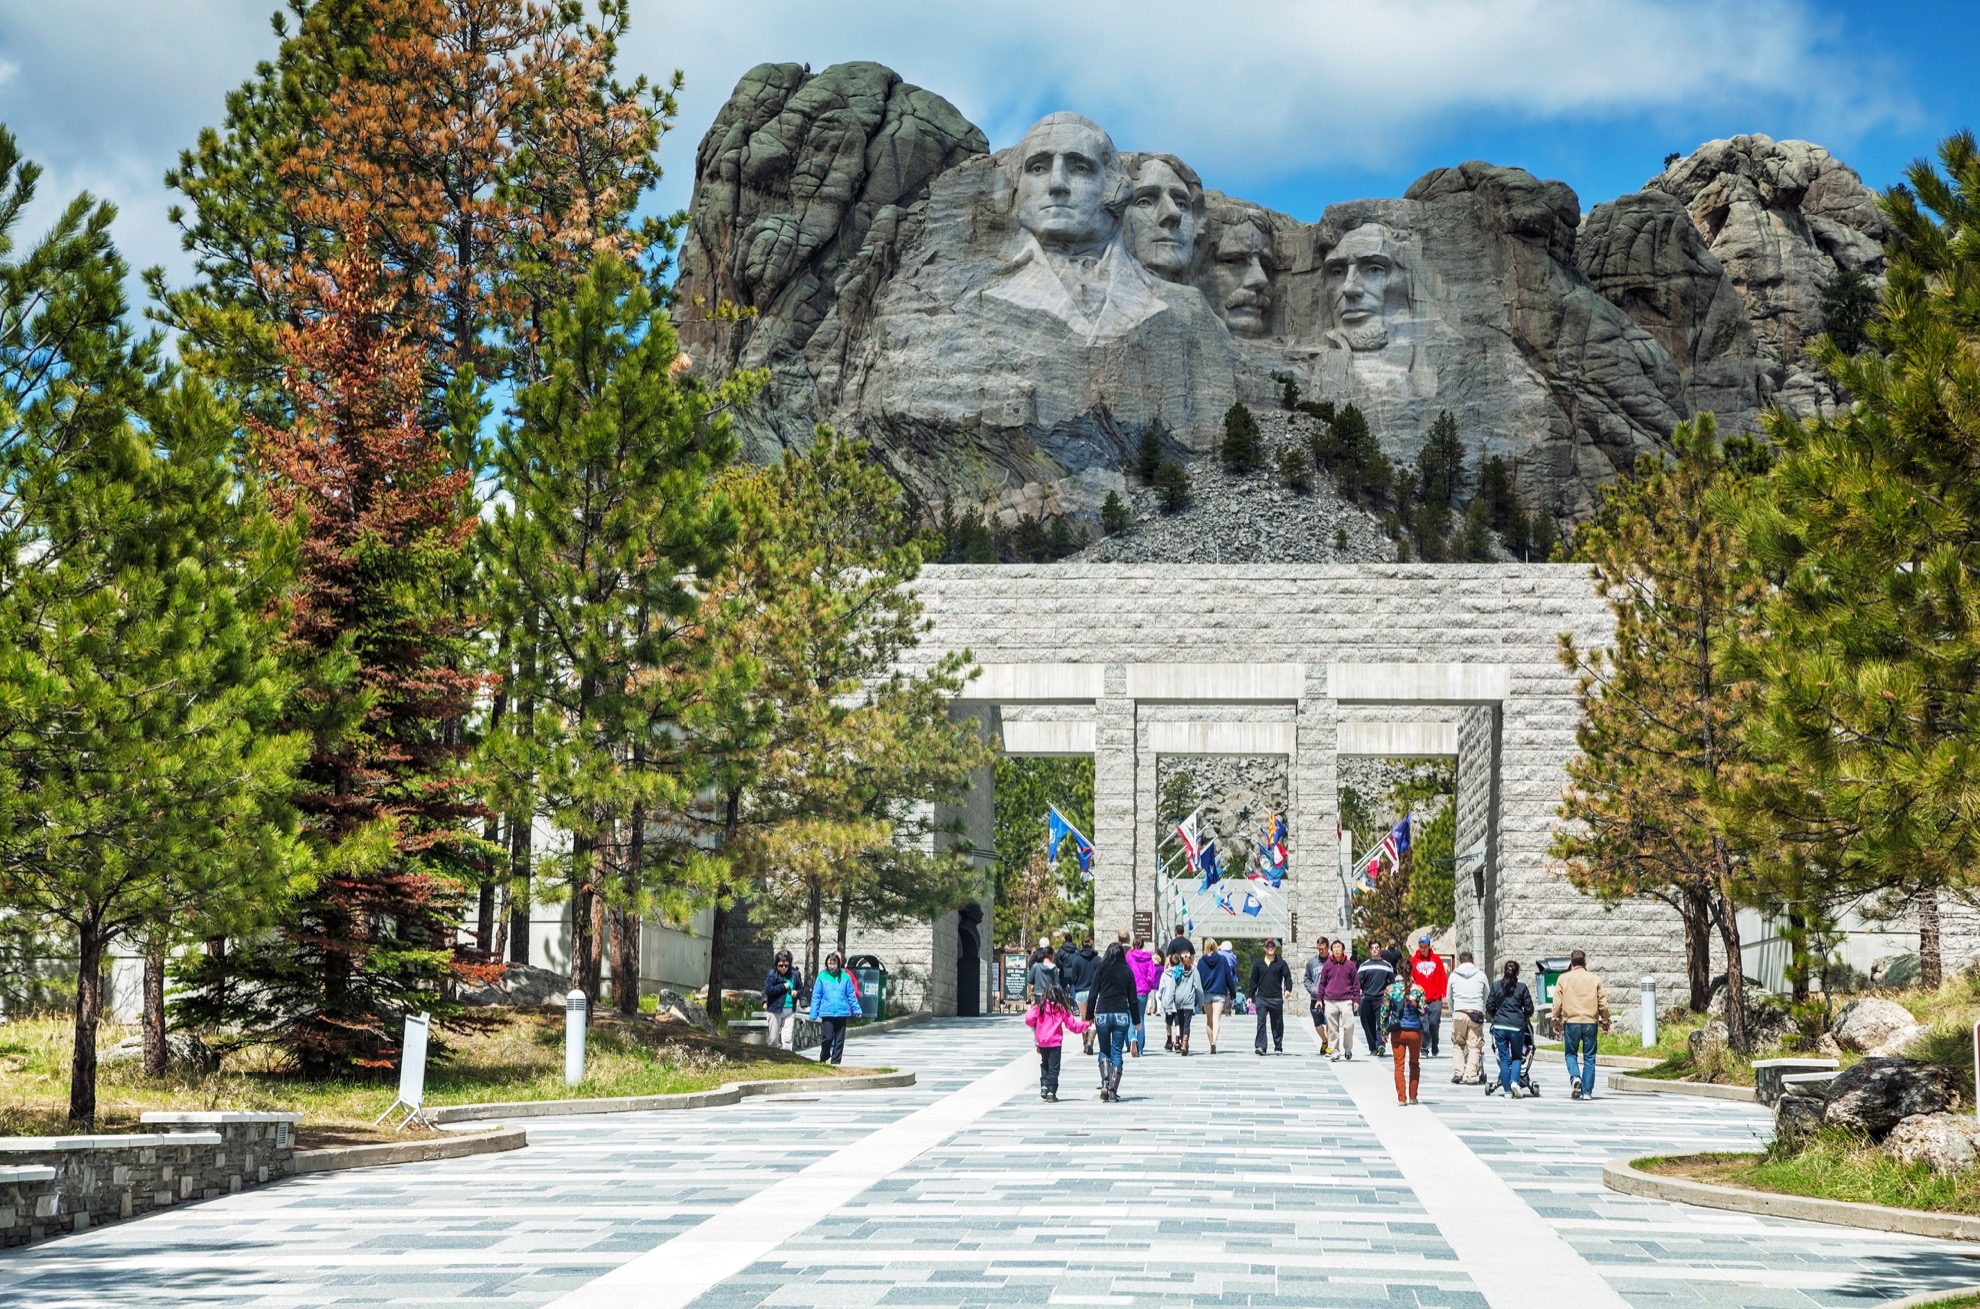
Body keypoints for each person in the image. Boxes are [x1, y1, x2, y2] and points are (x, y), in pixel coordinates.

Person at [1551, 949, 1612, 1099]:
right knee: (1589, 1057)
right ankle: (1587, 1092)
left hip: (1571, 1022)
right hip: (1590, 1022)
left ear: (1571, 963)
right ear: (1585, 962)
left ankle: (1575, 1077)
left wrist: (1555, 1020)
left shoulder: (1563, 978)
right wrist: (1605, 1021)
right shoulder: (1595, 978)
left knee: (1570, 1054)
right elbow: (1602, 1003)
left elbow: (1557, 1003)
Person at [1083, 942, 1139, 1100]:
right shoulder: (1127, 971)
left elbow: (1093, 994)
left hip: (1103, 1013)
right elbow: (1133, 999)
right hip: (1121, 1013)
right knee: (1117, 1052)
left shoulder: (1101, 969)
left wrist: (1089, 1016)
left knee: (1104, 1050)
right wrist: (1136, 1020)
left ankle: (1105, 1082)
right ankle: (1113, 1090)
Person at [1025, 979, 1088, 1101]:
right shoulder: (1062, 1009)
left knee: (1045, 1064)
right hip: (1055, 1042)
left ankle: (1044, 1086)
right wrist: (1086, 1024)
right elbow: (1073, 1026)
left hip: (1042, 1041)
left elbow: (1028, 1019)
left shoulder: (1040, 1007)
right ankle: (1051, 1092)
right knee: (1054, 1067)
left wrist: (1035, 1024)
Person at [1485, 960, 1535, 1097]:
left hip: (1500, 1025)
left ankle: (1507, 1091)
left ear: (1503, 971)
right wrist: (1521, 1016)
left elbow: (1489, 1005)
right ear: (1518, 972)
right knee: (1517, 1057)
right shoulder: (1522, 987)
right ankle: (1514, 1081)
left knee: (1504, 1057)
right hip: (1517, 1026)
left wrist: (1497, 1016)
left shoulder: (1495, 986)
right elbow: (1530, 1009)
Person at [1380, 969, 1430, 1105]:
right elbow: (1423, 1010)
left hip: (1398, 1031)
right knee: (1414, 1064)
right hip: (1414, 1031)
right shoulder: (1418, 989)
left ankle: (1402, 1098)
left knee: (1398, 1066)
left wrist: (1384, 1031)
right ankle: (1413, 1097)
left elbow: (1384, 1011)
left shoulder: (1390, 989)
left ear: (1397, 971)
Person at [809, 951, 860, 1065]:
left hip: (842, 1012)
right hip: (827, 1012)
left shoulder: (845, 977)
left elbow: (851, 995)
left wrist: (857, 1009)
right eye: (829, 963)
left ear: (838, 964)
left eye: (834, 963)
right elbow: (816, 996)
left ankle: (836, 1061)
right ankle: (824, 1054)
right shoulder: (822, 977)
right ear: (826, 964)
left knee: (839, 1040)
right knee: (827, 1037)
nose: (832, 966)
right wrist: (813, 1012)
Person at [1446, 951, 1489, 1085]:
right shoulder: (1481, 975)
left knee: (1458, 1043)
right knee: (1474, 1046)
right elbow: (1486, 994)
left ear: (1459, 961)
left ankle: (1458, 1073)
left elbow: (1449, 996)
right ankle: (1471, 1076)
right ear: (1473, 961)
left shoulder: (1453, 975)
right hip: (1475, 1012)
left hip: (1459, 1011)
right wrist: (1482, 1008)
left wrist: (1454, 1011)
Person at [1249, 938, 1294, 1055]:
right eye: (1268, 946)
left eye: (1272, 946)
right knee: (1261, 1022)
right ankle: (1260, 1046)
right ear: (1264, 948)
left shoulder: (1281, 963)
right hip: (1262, 998)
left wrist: (1288, 989)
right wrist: (1250, 995)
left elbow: (1287, 977)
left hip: (1276, 998)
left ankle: (1278, 1046)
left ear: (1275, 948)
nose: (1270, 948)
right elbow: (1253, 981)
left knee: (1277, 1024)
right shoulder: (1258, 963)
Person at [1408, 934, 1450, 1058]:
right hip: (1421, 999)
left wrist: (1444, 995)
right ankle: (1424, 1047)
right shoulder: (1414, 960)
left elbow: (1443, 977)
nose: (1423, 949)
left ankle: (1435, 1042)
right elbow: (1411, 978)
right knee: (1423, 1023)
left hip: (1435, 997)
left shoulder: (1436, 960)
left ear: (1429, 946)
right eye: (1421, 947)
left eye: (1425, 947)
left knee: (1434, 1022)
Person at [1195, 935, 1236, 1054]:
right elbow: (1228, 977)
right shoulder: (1222, 960)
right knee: (1216, 1019)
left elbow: (1199, 979)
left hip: (1206, 992)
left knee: (1209, 1020)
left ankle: (1210, 1043)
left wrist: (1198, 994)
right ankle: (1214, 1041)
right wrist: (1232, 992)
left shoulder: (1202, 961)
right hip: (1219, 992)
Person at [1319, 940, 1360, 1061]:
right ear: (1332, 950)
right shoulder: (1327, 965)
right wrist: (1319, 999)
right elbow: (1322, 984)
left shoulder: (1350, 965)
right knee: (1332, 1028)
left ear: (1343, 950)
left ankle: (1348, 1048)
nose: (1337, 949)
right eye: (1334, 947)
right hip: (1330, 1000)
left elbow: (1356, 984)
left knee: (1349, 1025)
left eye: (1339, 947)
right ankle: (1335, 1051)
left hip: (1346, 1000)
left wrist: (1357, 1000)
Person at [1157, 950, 1202, 1054]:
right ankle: (1185, 1042)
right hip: (1189, 1000)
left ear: (1181, 960)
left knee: (1180, 1023)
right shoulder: (1194, 971)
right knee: (1187, 1024)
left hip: (1178, 1000)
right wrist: (1201, 1002)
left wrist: (1169, 1004)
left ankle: (1182, 1042)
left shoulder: (1177, 970)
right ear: (1190, 958)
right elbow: (1199, 988)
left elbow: (1172, 987)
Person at [1356, 946, 1395, 1057]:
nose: (1375, 950)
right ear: (1369, 950)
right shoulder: (1364, 966)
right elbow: (1358, 981)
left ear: (1380, 950)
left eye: (1377, 947)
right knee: (1367, 1024)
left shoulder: (1387, 966)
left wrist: (1390, 996)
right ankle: (1373, 1047)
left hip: (1381, 999)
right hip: (1367, 998)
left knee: (1382, 1022)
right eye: (1372, 948)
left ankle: (1380, 1044)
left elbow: (1392, 983)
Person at [1127, 935, 1162, 1057]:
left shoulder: (1129, 957)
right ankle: (1140, 1048)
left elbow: (1126, 972)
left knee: (1131, 1017)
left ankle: (1132, 1038)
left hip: (1130, 990)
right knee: (1141, 1018)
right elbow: (1151, 975)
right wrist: (1149, 983)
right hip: (1143, 990)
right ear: (1142, 945)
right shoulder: (1148, 958)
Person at [762, 950, 804, 1051]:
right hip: (775, 1009)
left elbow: (801, 989)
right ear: (776, 964)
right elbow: (768, 989)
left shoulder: (794, 975)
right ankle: (773, 1059)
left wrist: (797, 993)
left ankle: (787, 1060)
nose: (783, 968)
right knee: (773, 1039)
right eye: (780, 965)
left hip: (790, 1009)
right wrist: (783, 986)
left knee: (787, 1039)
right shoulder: (772, 974)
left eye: (786, 965)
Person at [1304, 937, 1332, 1052]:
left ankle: (1330, 1046)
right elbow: (1306, 979)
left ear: (1328, 947)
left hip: (1330, 997)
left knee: (1330, 1022)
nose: (1321, 951)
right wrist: (1313, 990)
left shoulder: (1332, 961)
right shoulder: (1312, 962)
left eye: (1323, 949)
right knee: (1318, 1023)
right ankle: (1325, 1040)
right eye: (1319, 949)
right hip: (1315, 998)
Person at [1026, 937, 1060, 1006]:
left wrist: (1035, 973)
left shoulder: (1036, 958)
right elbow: (1057, 983)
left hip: (1038, 991)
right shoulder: (1054, 965)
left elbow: (1030, 963)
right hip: (1050, 992)